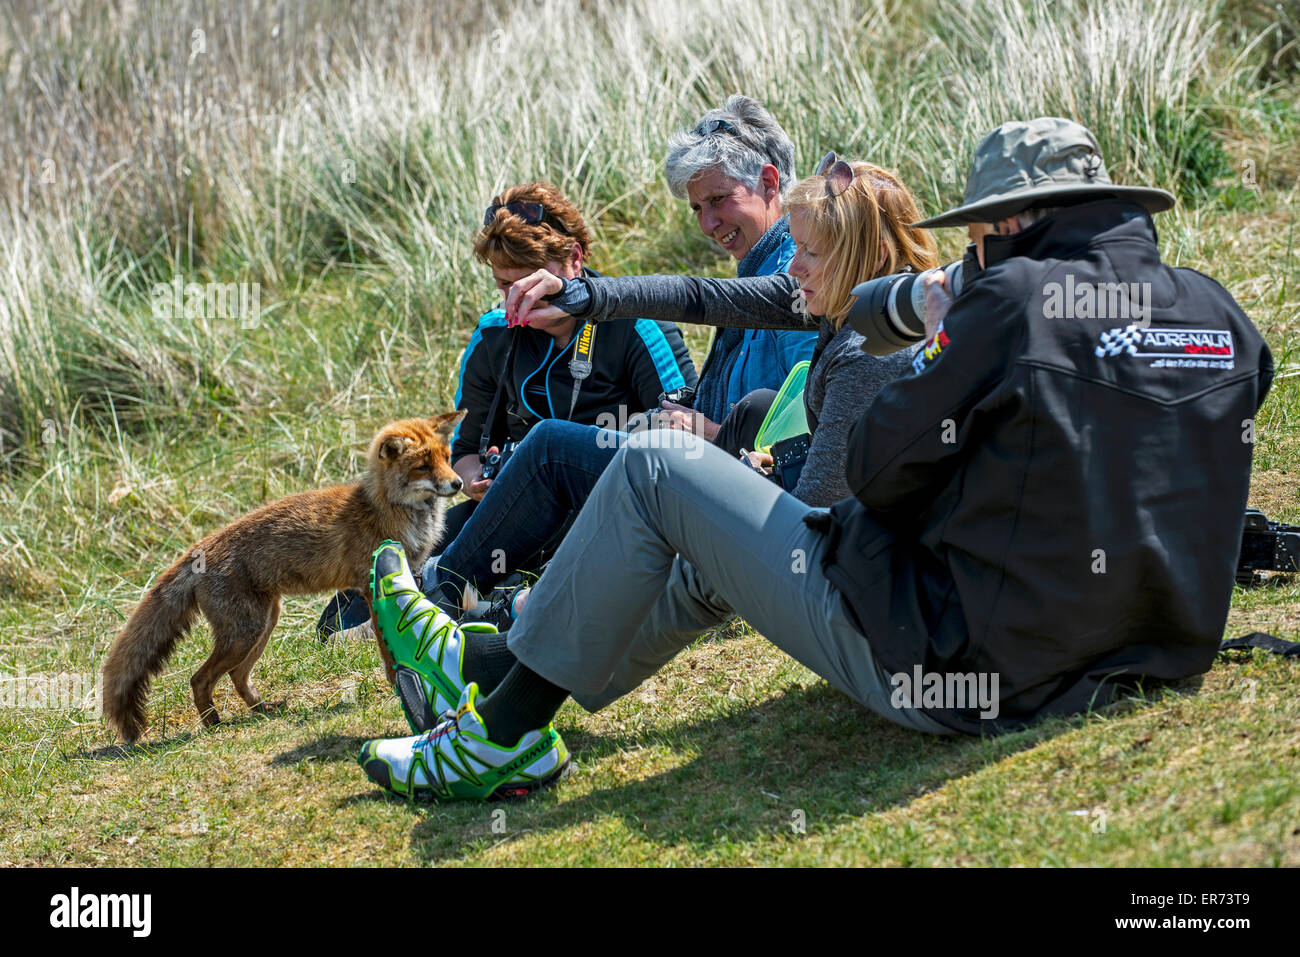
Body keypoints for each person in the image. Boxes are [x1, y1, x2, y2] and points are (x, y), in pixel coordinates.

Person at [357, 116, 1273, 802]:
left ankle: (501, 736)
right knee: (713, 527)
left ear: (1018, 219)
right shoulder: (1215, 312)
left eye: (987, 228)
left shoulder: (1012, 306)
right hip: (1148, 652)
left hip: (973, 674)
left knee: (655, 472)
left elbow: (877, 471)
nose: (976, 246)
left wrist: (925, 350)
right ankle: (494, 670)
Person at [417, 158, 936, 639]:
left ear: (873, 256)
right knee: (747, 411)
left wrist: (755, 483)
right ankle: (470, 607)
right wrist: (589, 296)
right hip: (794, 533)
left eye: (810, 252)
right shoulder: (841, 306)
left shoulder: (868, 349)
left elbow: (811, 530)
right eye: (795, 249)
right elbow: (699, 297)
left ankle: (473, 610)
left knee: (556, 450)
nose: (793, 266)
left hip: (823, 596)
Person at [316, 181, 695, 637]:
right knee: (345, 609)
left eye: (530, 282)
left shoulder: (637, 322)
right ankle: (458, 598)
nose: (517, 299)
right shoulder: (495, 334)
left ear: (574, 260)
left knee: (542, 470)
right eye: (503, 285)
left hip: (611, 499)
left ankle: (446, 600)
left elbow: (685, 440)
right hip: (513, 504)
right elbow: (465, 448)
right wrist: (478, 480)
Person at [658, 94, 817, 449]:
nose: (708, 223)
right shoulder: (757, 270)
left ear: (769, 183)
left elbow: (815, 427)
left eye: (718, 199)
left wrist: (711, 435)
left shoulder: (800, 278)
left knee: (549, 450)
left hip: (767, 495)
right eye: (696, 208)